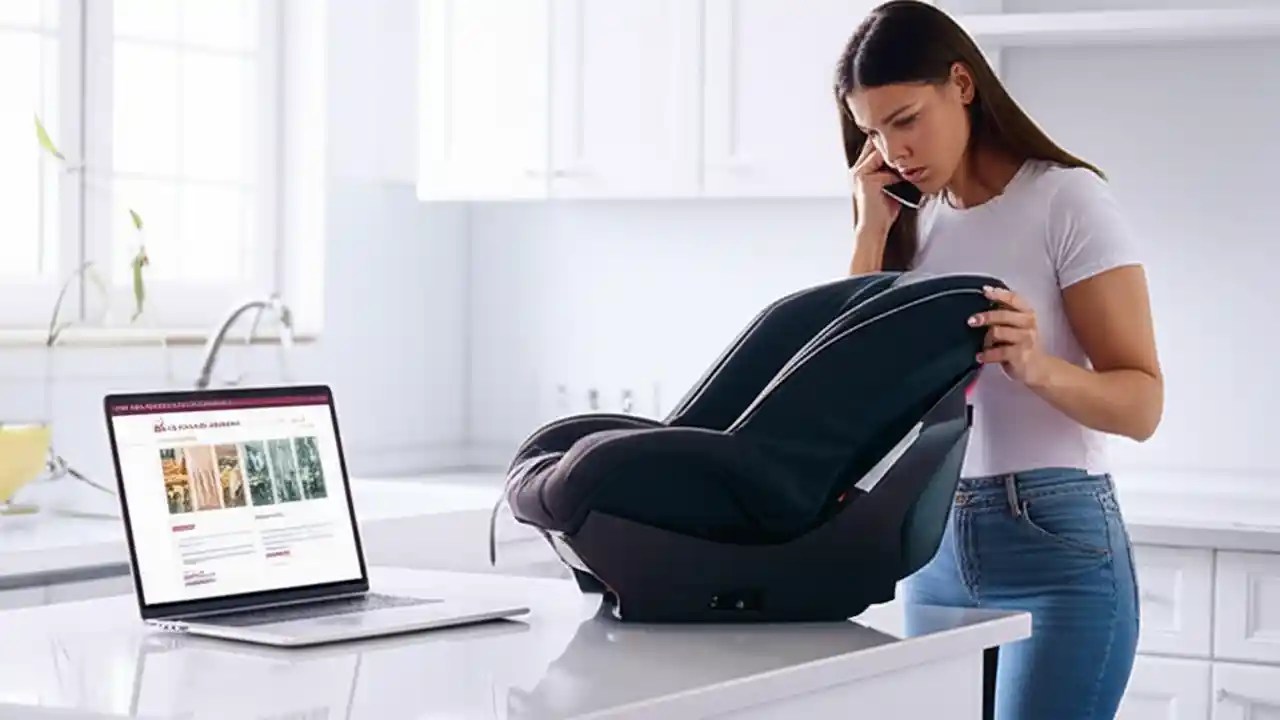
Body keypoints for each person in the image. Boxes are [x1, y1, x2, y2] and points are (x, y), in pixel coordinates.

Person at [834, 2, 1164, 718]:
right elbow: (856, 385)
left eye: (905, 119)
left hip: (1058, 547)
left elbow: (1143, 406)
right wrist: (869, 229)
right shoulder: (907, 220)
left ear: (962, 84)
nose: (893, 152)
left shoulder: (1066, 200)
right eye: (873, 133)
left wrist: (1037, 365)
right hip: (935, 545)